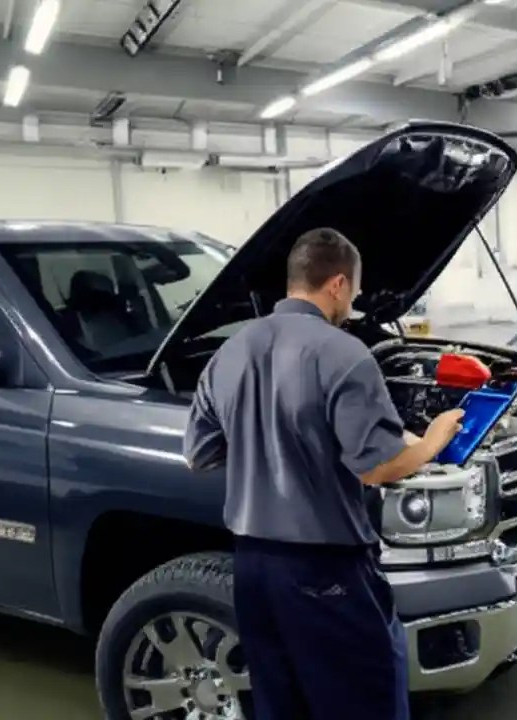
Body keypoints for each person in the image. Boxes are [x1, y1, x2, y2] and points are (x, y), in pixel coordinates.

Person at [183, 227, 464, 720]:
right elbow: (377, 468)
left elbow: (200, 454)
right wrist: (436, 439)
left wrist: (269, 442)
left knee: (281, 702)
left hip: (252, 570)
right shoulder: (342, 353)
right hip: (325, 571)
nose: (353, 304)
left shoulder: (230, 351)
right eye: (353, 291)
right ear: (337, 284)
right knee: (365, 699)